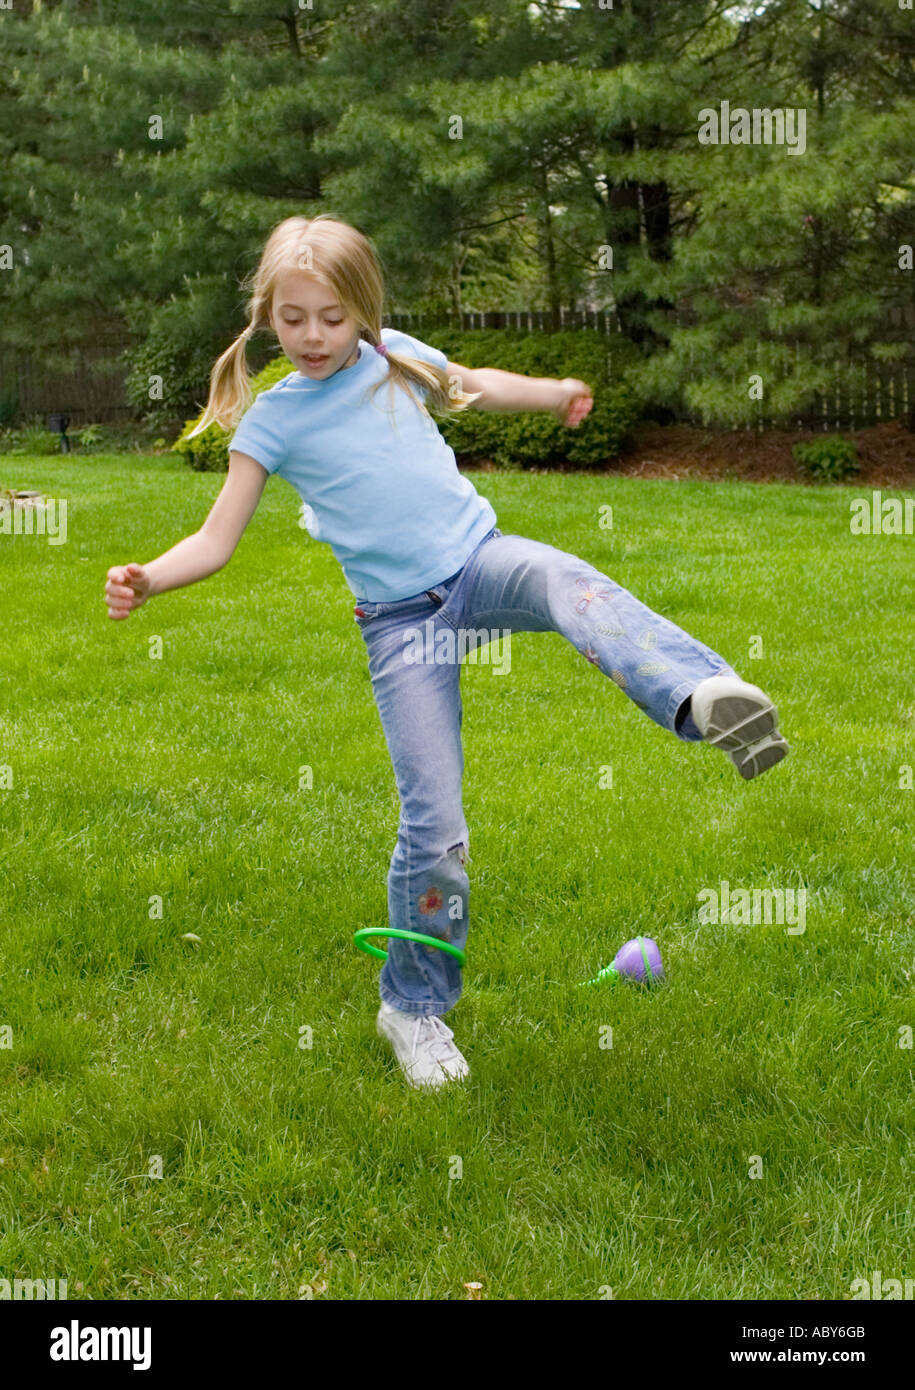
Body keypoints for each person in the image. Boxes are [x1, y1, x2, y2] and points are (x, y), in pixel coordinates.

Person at [105, 214, 789, 1093]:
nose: (312, 336)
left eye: (332, 317)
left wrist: (550, 393)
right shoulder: (271, 422)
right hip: (401, 624)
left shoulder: (397, 359)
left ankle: (701, 696)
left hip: (480, 565)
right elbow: (217, 537)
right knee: (433, 823)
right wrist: (151, 580)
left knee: (559, 577)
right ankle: (413, 1009)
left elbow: (477, 386)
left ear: (365, 313)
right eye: (292, 318)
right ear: (265, 316)